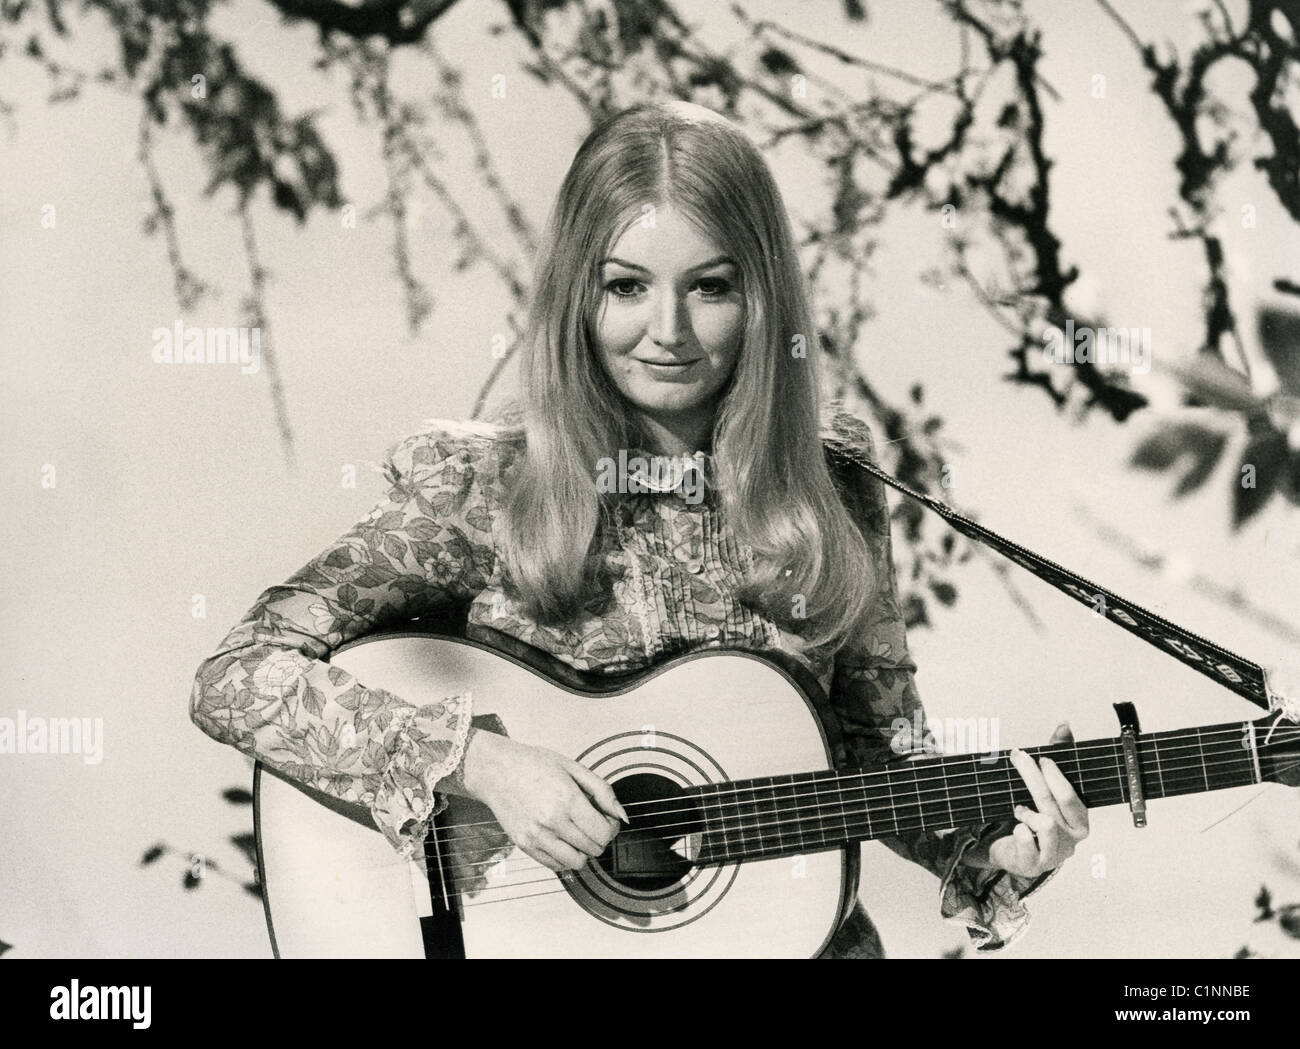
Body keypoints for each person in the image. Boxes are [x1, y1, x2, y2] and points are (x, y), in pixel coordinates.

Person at [190, 100, 1089, 958]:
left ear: (762, 299)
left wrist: (988, 851)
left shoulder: (832, 485)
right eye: (627, 285)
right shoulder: (479, 486)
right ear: (578, 297)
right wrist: (477, 761)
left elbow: (872, 755)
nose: (669, 331)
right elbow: (238, 676)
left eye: (709, 287)